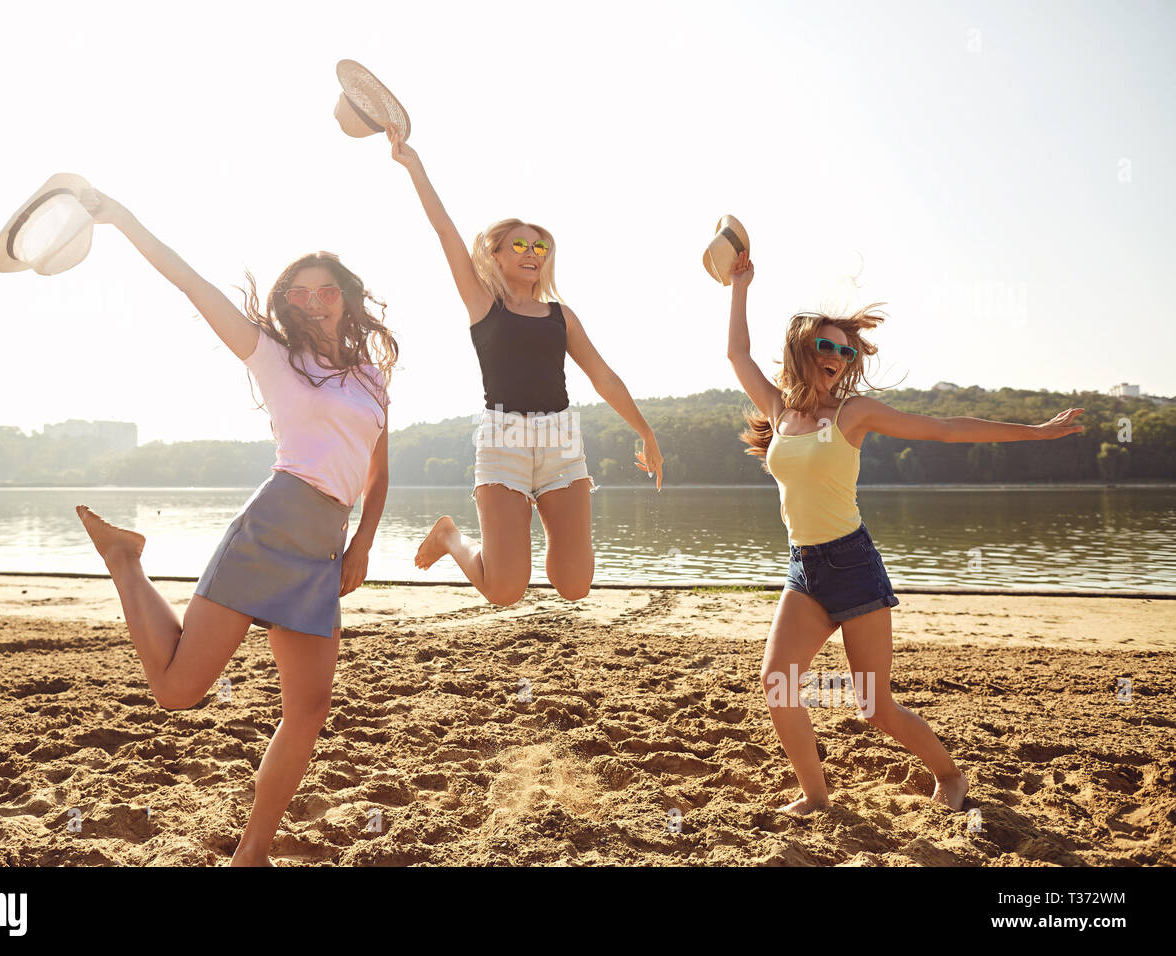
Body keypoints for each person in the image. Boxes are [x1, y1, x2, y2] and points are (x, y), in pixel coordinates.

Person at [67, 186, 394, 864]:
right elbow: (191, 281)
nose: (310, 301)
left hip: (323, 549)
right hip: (272, 527)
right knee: (177, 690)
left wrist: (361, 542)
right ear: (284, 302)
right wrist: (122, 218)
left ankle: (253, 852)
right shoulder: (273, 358)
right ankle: (128, 562)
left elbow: (376, 471)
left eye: (324, 291)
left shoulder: (371, 378)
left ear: (346, 298)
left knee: (307, 710)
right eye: (297, 292)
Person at [725, 246, 1083, 814]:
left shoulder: (853, 413)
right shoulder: (778, 409)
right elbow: (737, 353)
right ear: (802, 348)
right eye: (827, 345)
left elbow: (944, 428)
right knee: (778, 685)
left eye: (846, 350)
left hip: (853, 565)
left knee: (875, 708)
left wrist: (1034, 434)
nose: (839, 356)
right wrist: (740, 284)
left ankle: (949, 775)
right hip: (804, 569)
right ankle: (816, 796)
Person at [385, 123, 664, 606]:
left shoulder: (561, 314)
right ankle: (452, 537)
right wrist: (415, 167)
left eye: (540, 246)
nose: (532, 253)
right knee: (504, 589)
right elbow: (445, 230)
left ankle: (529, 529)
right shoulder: (482, 304)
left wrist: (646, 431)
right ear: (494, 254)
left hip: (560, 443)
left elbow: (603, 376)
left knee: (574, 586)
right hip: (503, 443)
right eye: (519, 245)